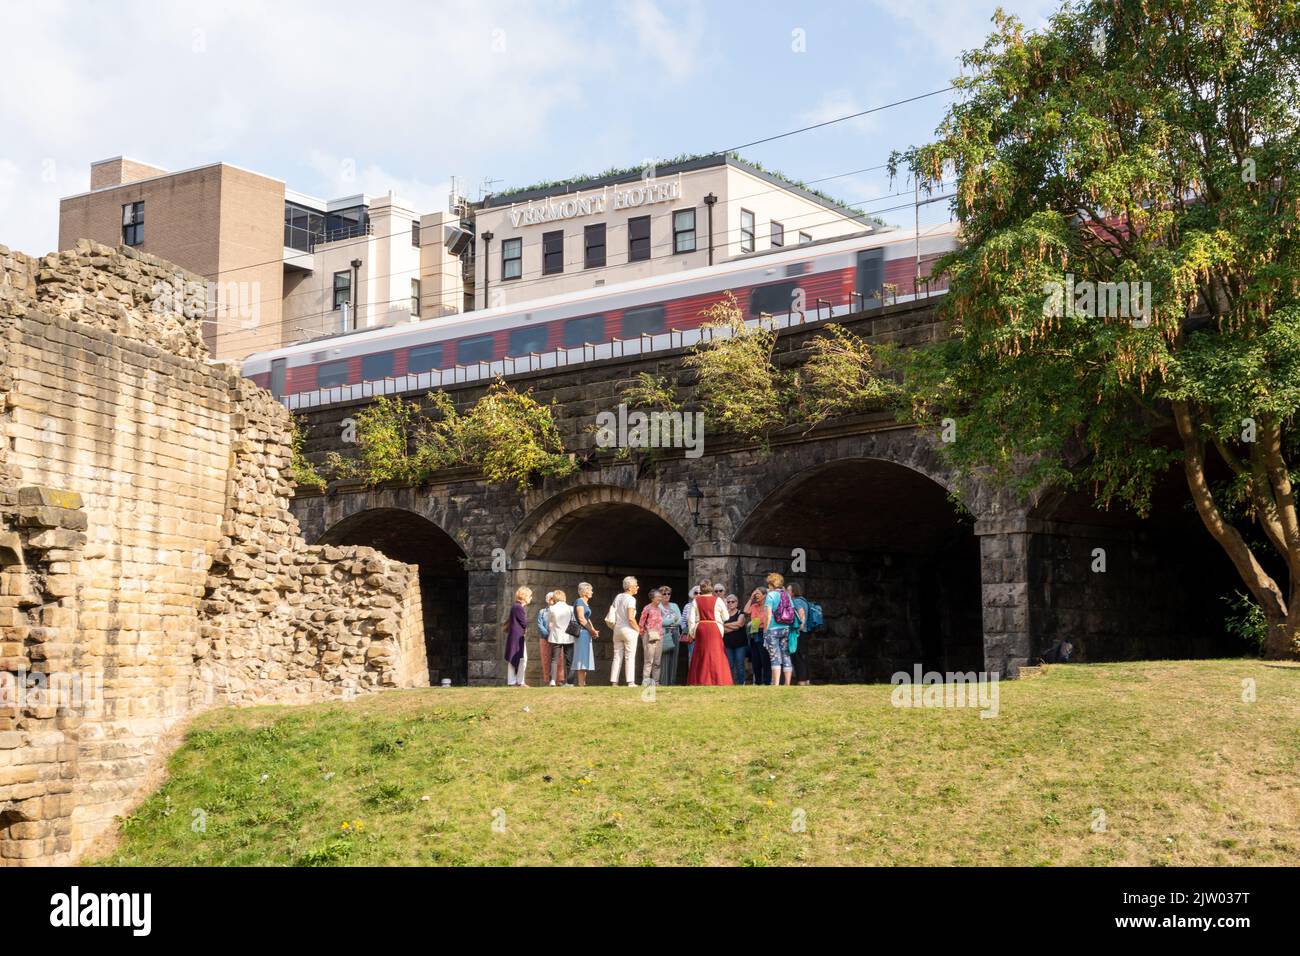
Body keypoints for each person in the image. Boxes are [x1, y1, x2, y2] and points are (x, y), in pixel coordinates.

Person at [686, 578, 732, 685]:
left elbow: (691, 619)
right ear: (711, 588)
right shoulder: (718, 600)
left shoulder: (695, 601)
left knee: (700, 653)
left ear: (701, 589)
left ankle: (700, 679)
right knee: (717, 653)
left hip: (701, 627)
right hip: (714, 627)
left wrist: (692, 632)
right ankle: (719, 679)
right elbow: (726, 616)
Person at [763, 572, 793, 686]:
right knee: (786, 655)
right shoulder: (787, 595)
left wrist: (765, 630)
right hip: (786, 628)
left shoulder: (770, 596)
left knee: (775, 656)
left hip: (773, 629)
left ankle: (775, 684)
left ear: (771, 584)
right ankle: (787, 683)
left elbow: (767, 615)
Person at [611, 576, 640, 687]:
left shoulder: (618, 596)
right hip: (628, 629)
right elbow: (630, 618)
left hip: (617, 629)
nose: (637, 587)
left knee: (617, 656)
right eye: (636, 585)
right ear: (630, 587)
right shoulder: (631, 599)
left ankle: (614, 681)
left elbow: (613, 609)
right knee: (630, 656)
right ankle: (630, 682)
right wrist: (638, 629)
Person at [569, 582, 598, 687]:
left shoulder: (585, 603)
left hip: (586, 633)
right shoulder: (580, 601)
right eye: (590, 590)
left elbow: (587, 618)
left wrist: (593, 630)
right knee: (581, 658)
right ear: (585, 591)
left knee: (585, 658)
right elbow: (581, 618)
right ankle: (581, 683)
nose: (592, 592)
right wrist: (591, 630)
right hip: (582, 633)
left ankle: (583, 682)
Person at [546, 589, 575, 687]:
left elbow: (549, 621)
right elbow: (573, 621)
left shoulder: (552, 608)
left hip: (556, 636)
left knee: (554, 659)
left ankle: (553, 680)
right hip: (568, 636)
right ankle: (569, 682)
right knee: (569, 659)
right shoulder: (570, 608)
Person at [638, 587, 666, 685]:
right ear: (652, 598)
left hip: (659, 636)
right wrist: (643, 635)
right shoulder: (647, 608)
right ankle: (645, 681)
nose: (660, 599)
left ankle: (656, 682)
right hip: (648, 635)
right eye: (658, 597)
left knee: (657, 661)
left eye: (660, 597)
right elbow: (641, 623)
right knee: (648, 660)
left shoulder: (659, 609)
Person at [504, 586, 531, 687]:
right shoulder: (518, 607)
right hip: (516, 637)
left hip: (516, 636)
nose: (531, 598)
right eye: (530, 596)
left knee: (520, 658)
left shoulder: (516, 606)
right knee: (519, 658)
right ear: (524, 596)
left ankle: (517, 681)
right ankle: (518, 682)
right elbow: (524, 622)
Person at [744, 588, 769, 685]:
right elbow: (745, 611)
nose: (756, 595)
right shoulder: (754, 606)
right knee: (755, 659)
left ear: (764, 595)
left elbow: (765, 620)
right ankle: (758, 682)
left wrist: (755, 622)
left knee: (764, 658)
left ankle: (767, 682)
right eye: (755, 594)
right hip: (754, 634)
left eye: (758, 593)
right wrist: (750, 599)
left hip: (763, 633)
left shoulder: (767, 606)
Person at [658, 586, 683, 685]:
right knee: (664, 658)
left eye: (668, 594)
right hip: (664, 633)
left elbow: (680, 619)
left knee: (674, 658)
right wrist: (672, 620)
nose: (667, 596)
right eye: (664, 594)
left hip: (675, 632)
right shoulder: (658, 606)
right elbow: (660, 621)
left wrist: (671, 622)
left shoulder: (674, 605)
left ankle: (672, 682)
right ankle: (664, 682)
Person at [787, 581, 811, 686]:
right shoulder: (804, 600)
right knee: (803, 657)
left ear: (793, 591)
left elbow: (801, 613)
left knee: (797, 657)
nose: (787, 592)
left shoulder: (796, 601)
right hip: (804, 633)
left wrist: (800, 626)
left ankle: (801, 681)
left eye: (788, 590)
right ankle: (806, 680)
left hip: (799, 633)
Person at [722, 593, 748, 686]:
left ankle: (741, 684)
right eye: (728, 602)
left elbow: (740, 624)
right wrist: (734, 625)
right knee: (730, 665)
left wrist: (725, 625)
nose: (730, 603)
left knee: (740, 664)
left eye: (732, 601)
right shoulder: (724, 615)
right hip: (728, 644)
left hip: (740, 644)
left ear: (736, 603)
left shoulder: (740, 613)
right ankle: (730, 683)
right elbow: (722, 630)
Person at [536, 591, 556, 685]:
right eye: (551, 598)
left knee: (558, 659)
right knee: (546, 659)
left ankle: (558, 680)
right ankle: (547, 680)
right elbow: (540, 624)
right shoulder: (542, 611)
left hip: (556, 638)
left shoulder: (558, 610)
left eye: (554, 599)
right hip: (545, 638)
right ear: (548, 600)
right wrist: (547, 634)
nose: (553, 600)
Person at [681, 585, 700, 667]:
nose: (698, 594)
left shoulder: (705, 605)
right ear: (693, 594)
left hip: (702, 634)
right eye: (696, 593)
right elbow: (682, 620)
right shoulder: (687, 606)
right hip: (691, 634)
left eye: (700, 593)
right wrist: (686, 630)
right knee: (692, 657)